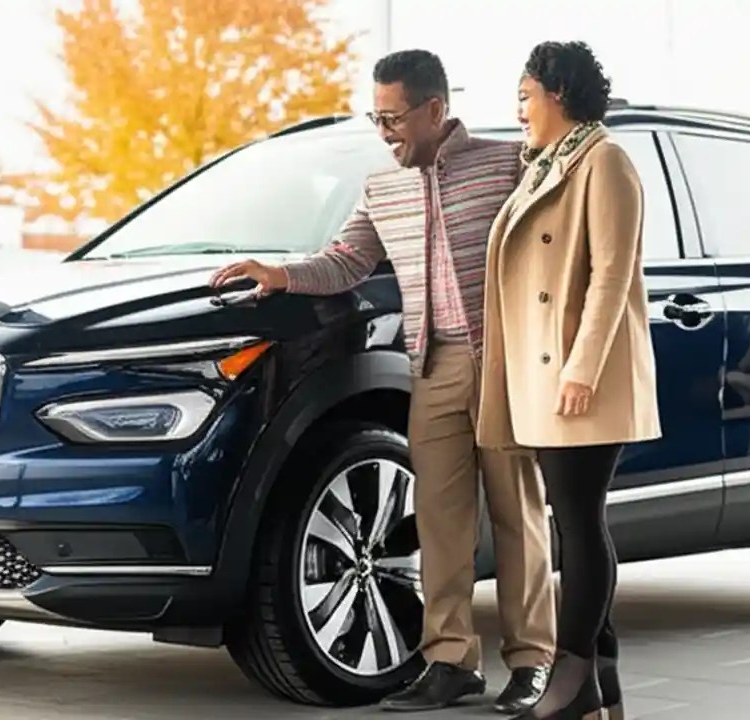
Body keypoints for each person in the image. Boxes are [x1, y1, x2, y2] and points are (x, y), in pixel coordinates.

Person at [209, 49, 557, 715]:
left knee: (518, 518)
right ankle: (451, 661)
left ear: (435, 109)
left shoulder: (506, 164)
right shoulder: (382, 188)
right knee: (439, 519)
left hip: (508, 363)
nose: (384, 130)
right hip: (432, 365)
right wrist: (280, 275)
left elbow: (555, 248)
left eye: (393, 116)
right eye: (375, 116)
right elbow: (344, 262)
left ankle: (532, 662)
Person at [475, 40, 662, 720]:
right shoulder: (549, 164)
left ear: (558, 93)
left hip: (581, 377)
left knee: (578, 523)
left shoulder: (604, 161)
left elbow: (613, 272)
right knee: (576, 520)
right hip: (544, 375)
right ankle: (600, 675)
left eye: (525, 95)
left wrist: (581, 369)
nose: (518, 108)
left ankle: (574, 671)